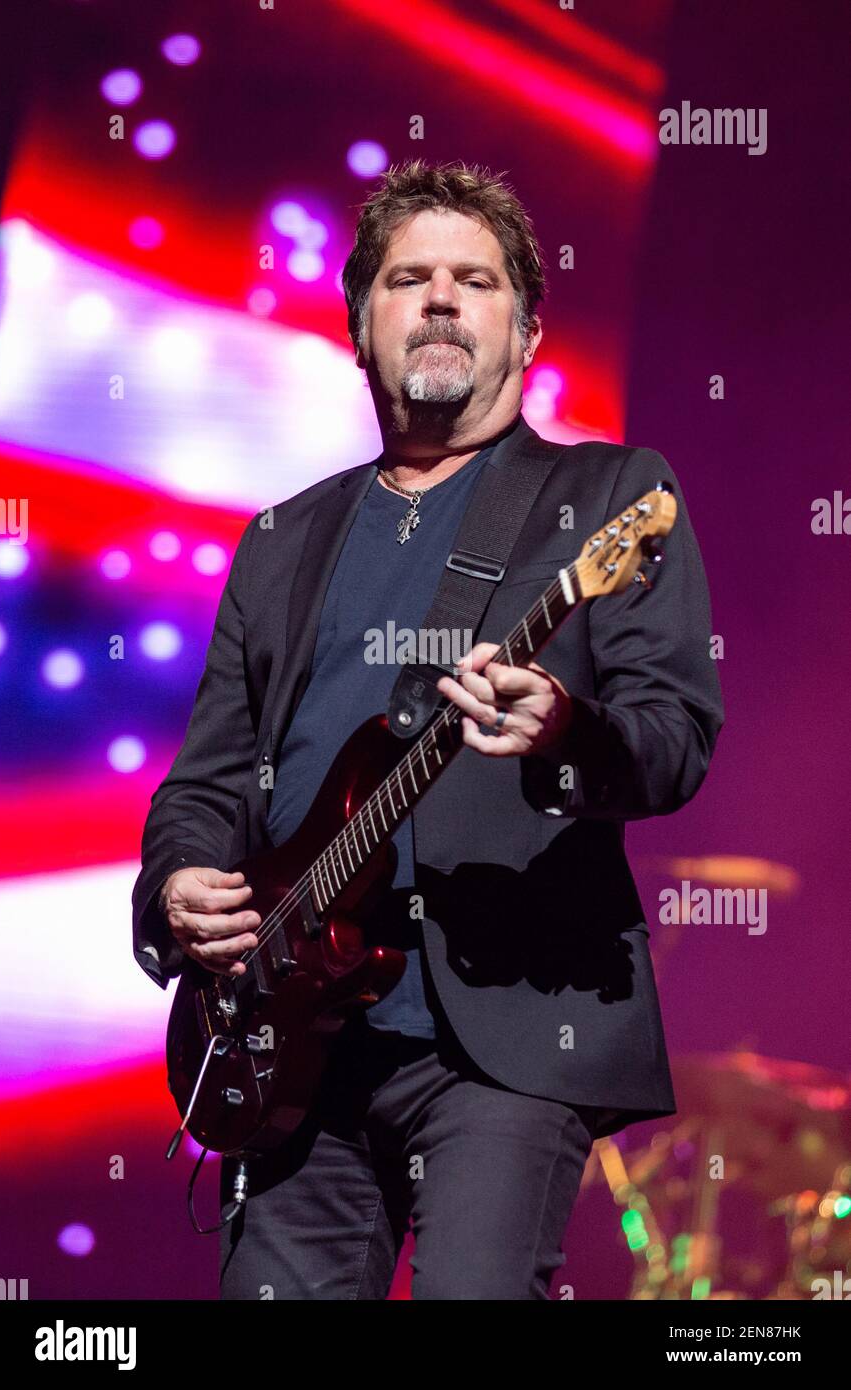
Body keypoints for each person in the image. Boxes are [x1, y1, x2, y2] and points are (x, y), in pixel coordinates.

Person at [131, 159, 724, 1299]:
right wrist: (177, 886)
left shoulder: (603, 497)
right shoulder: (281, 538)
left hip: (504, 1033)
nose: (440, 299)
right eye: (408, 279)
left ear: (527, 331)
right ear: (359, 326)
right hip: (291, 1040)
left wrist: (563, 729)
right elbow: (205, 781)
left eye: (475, 279)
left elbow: (673, 736)